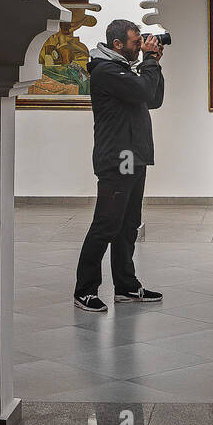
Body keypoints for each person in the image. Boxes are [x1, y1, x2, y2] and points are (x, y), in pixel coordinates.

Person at [73, 19, 166, 313]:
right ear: (117, 45)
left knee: (128, 225)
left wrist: (154, 64)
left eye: (142, 42)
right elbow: (142, 92)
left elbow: (153, 99)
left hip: (134, 157)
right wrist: (149, 61)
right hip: (118, 159)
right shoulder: (106, 71)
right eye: (135, 43)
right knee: (106, 224)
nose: (140, 47)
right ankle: (85, 290)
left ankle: (126, 287)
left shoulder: (124, 70)